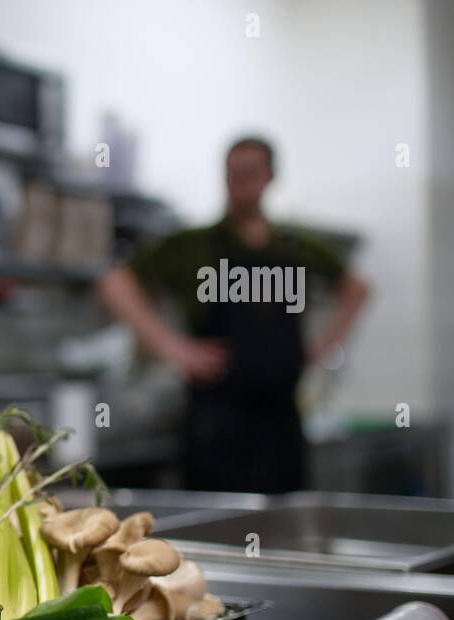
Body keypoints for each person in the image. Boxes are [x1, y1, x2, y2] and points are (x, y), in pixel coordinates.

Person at [98, 136, 368, 494]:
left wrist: (325, 344)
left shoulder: (295, 246)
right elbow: (114, 282)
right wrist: (171, 347)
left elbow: (357, 288)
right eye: (233, 173)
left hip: (282, 424)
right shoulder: (192, 245)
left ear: (270, 177)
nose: (241, 182)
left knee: (284, 530)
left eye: (251, 172)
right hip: (214, 427)